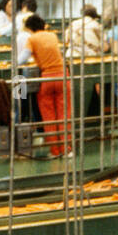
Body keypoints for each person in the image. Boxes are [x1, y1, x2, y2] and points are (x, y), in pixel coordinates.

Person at [25, 14, 70, 157]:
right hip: (63, 76)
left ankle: (55, 151)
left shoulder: (31, 39)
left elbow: (23, 58)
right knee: (64, 114)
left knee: (49, 116)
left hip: (47, 78)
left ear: (30, 28)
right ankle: (67, 150)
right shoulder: (52, 36)